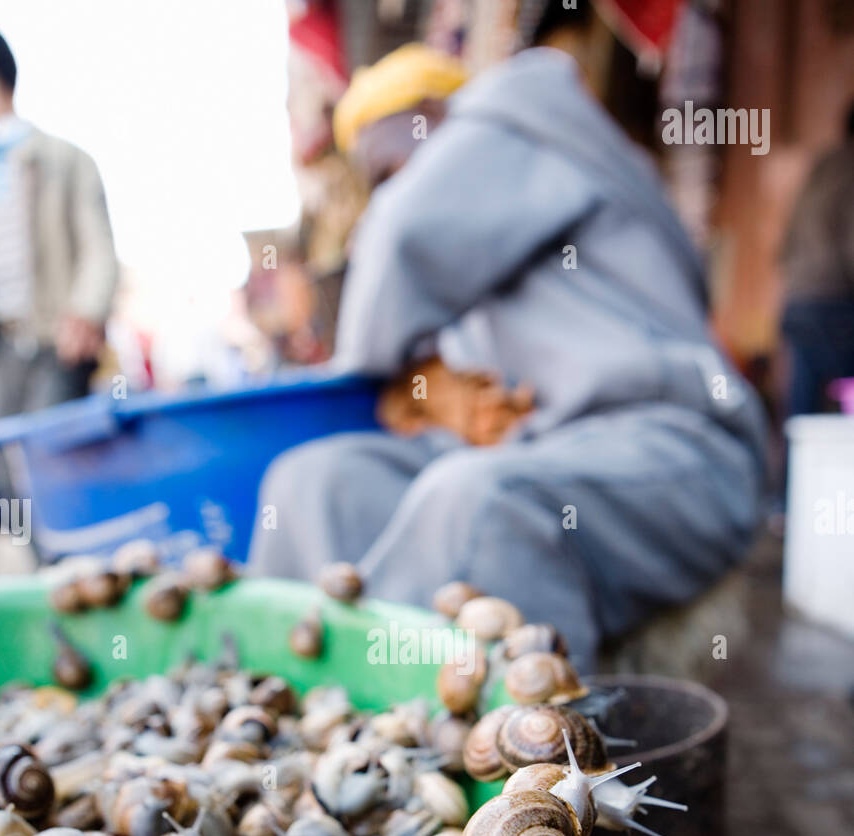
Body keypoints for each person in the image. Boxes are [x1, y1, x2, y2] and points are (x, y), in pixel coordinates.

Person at [250, 2, 765, 671]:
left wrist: (381, 371)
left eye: (396, 163)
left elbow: (403, 232)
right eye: (375, 181)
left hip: (681, 456)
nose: (387, 192)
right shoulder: (478, 263)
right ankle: (310, 728)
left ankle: (500, 765)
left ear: (440, 121)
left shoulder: (520, 115)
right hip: (555, 451)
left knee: (478, 502)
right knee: (310, 482)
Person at [0, 24, 118, 422]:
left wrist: (86, 310)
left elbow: (98, 249)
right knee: (0, 460)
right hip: (3, 349)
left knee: (46, 450)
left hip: (57, 343)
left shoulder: (64, 160)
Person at [780, 100, 854, 417]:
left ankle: (794, 467)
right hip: (834, 304)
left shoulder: (823, 166)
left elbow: (787, 241)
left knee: (802, 410)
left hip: (798, 299)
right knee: (841, 405)